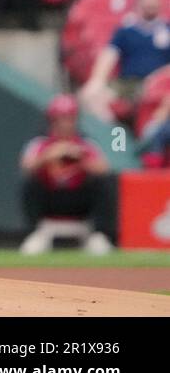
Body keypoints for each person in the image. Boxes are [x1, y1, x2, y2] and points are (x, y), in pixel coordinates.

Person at [18, 94, 115, 255]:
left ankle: (99, 236)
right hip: (51, 198)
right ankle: (35, 234)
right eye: (61, 119)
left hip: (78, 199)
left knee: (103, 184)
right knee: (30, 183)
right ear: (52, 120)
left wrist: (80, 159)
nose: (65, 124)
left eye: (69, 118)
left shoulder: (85, 143)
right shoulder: (40, 143)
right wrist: (49, 156)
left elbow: (104, 169)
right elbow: (26, 166)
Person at [80, 0, 170, 122]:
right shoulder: (125, 31)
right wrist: (97, 80)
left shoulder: (167, 29)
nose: (151, 3)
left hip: (161, 86)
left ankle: (150, 139)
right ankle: (116, 136)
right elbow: (109, 55)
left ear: (160, 2)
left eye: (154, 0)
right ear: (138, 3)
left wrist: (158, 78)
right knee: (89, 95)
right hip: (128, 84)